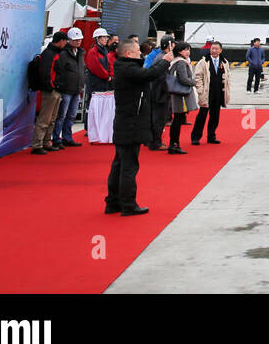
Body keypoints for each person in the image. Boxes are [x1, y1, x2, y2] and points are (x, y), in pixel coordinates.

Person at [105, 36, 171, 216]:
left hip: (126, 122)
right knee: (128, 166)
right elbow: (150, 74)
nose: (140, 54)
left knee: (119, 164)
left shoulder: (123, 67)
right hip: (131, 124)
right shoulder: (128, 69)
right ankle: (128, 203)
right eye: (136, 52)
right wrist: (165, 61)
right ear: (128, 54)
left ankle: (113, 202)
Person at [30, 31, 69, 154]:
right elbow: (46, 73)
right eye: (65, 41)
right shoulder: (49, 54)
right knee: (44, 119)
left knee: (52, 119)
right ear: (61, 41)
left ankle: (46, 142)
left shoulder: (55, 53)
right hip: (50, 90)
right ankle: (37, 144)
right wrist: (51, 87)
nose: (66, 43)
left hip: (55, 89)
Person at [191, 41, 232, 144]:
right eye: (212, 48)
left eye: (216, 49)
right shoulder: (203, 62)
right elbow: (197, 77)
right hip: (207, 92)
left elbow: (228, 77)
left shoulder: (224, 62)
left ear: (220, 50)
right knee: (202, 115)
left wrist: (226, 90)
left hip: (219, 92)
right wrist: (200, 90)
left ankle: (211, 136)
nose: (214, 51)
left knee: (215, 116)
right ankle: (196, 137)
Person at [51, 27, 85, 148]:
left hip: (76, 89)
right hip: (66, 89)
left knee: (71, 115)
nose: (78, 41)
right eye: (75, 40)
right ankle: (56, 138)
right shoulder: (63, 54)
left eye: (79, 39)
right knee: (61, 115)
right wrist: (61, 85)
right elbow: (59, 71)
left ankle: (67, 137)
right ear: (69, 40)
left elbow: (81, 69)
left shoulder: (80, 53)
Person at [165, 42, 198, 154]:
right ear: (179, 51)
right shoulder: (181, 62)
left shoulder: (176, 61)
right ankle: (174, 144)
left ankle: (174, 144)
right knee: (178, 119)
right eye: (185, 50)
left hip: (177, 93)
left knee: (177, 119)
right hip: (180, 94)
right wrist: (194, 82)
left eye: (188, 49)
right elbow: (183, 78)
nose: (187, 52)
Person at [84, 28, 116, 144]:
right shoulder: (92, 52)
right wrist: (107, 76)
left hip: (104, 84)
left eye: (106, 37)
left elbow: (109, 65)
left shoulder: (105, 50)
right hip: (95, 85)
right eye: (104, 37)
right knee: (93, 109)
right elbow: (95, 67)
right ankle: (92, 132)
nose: (106, 39)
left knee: (104, 110)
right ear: (97, 39)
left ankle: (102, 133)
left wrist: (110, 75)